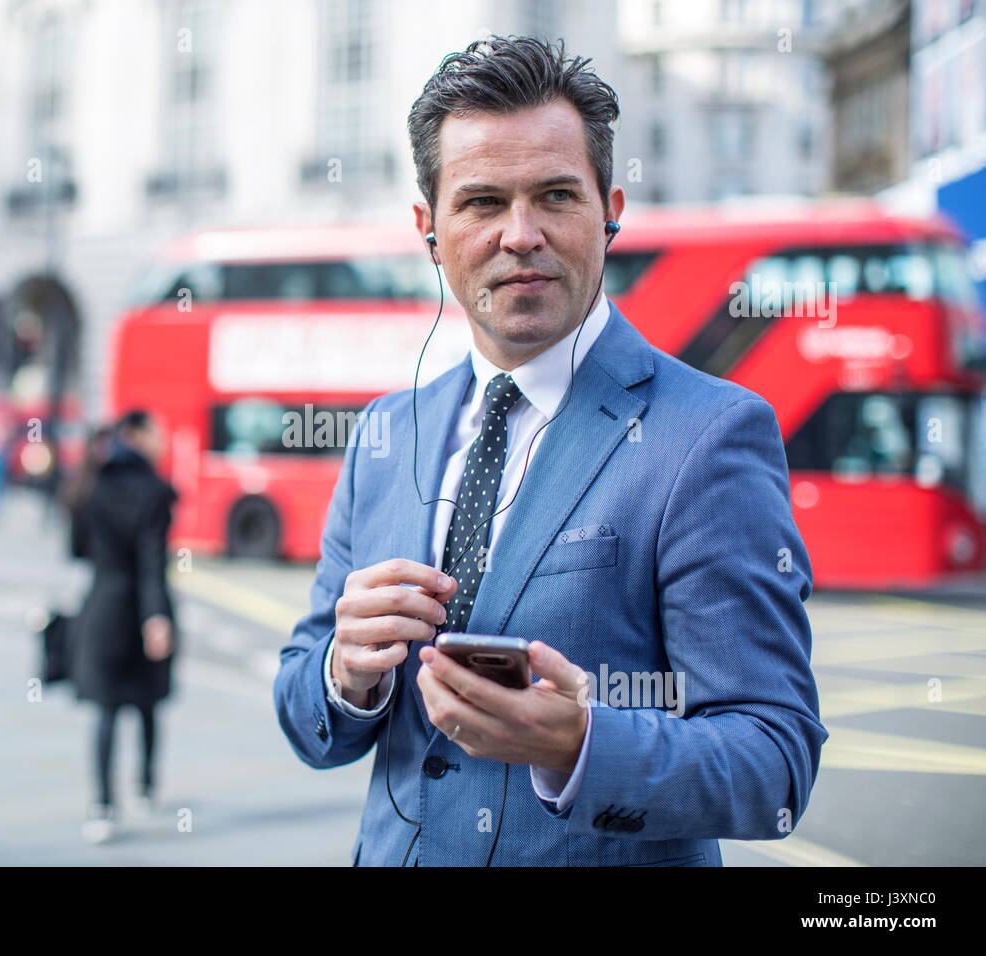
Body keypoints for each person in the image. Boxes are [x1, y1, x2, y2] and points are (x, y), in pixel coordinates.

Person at [273, 36, 827, 866]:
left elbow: (775, 764)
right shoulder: (387, 433)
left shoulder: (708, 435)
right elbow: (306, 715)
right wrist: (343, 676)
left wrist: (580, 747)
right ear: (429, 228)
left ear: (611, 208)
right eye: (483, 201)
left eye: (556, 196)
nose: (520, 234)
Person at [63, 411, 177, 843]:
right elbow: (152, 563)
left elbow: (77, 551)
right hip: (144, 608)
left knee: (106, 709)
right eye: (156, 432)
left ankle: (102, 807)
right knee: (147, 703)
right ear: (136, 436)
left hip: (102, 608)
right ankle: (145, 788)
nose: (162, 440)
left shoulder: (88, 486)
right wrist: (155, 617)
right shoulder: (153, 491)